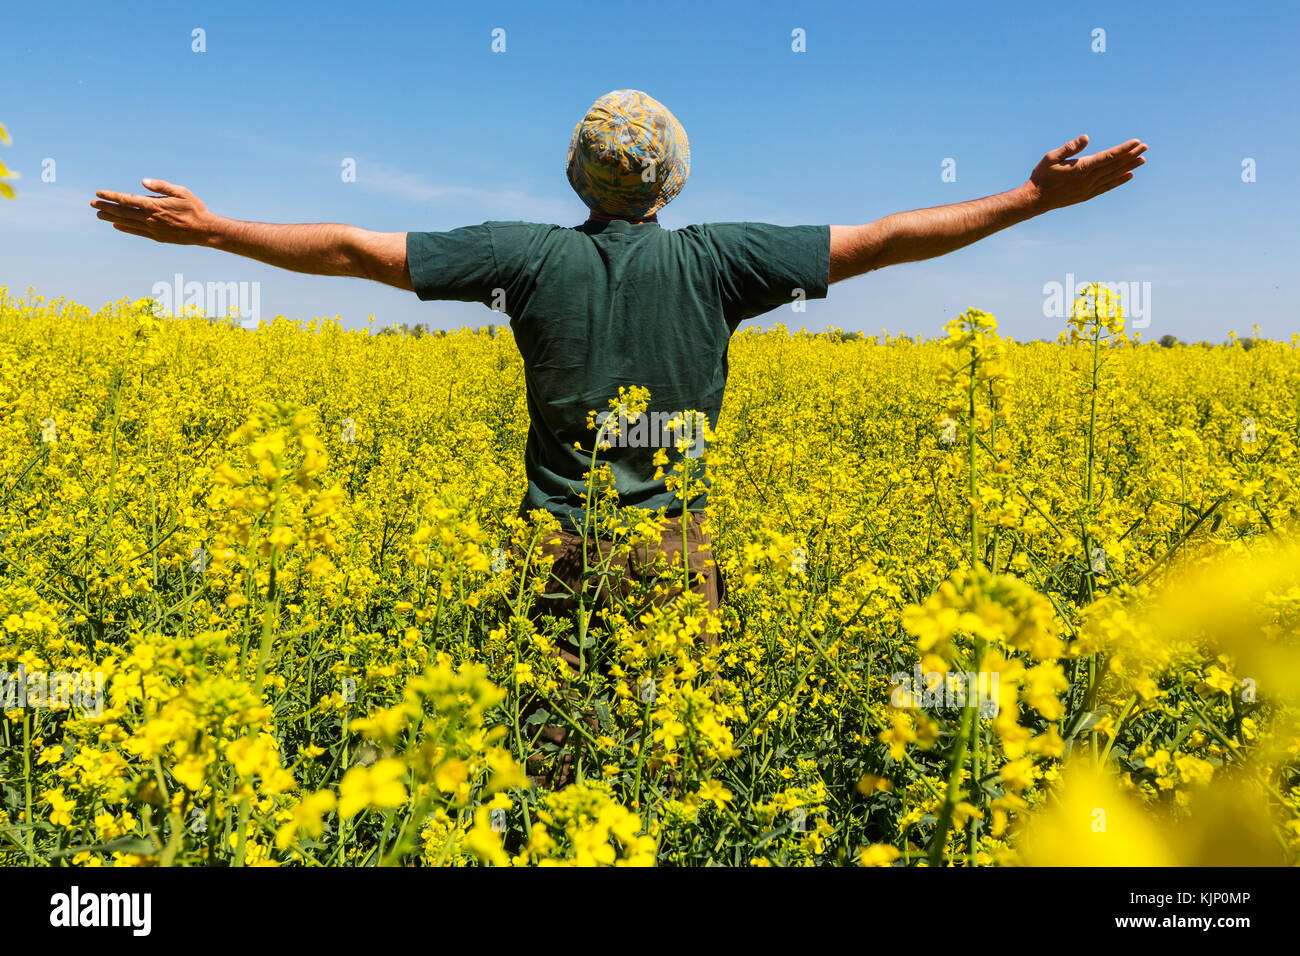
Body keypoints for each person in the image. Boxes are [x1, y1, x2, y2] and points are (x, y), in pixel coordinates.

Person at [90, 87, 1145, 629]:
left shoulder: (526, 257)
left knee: (555, 787)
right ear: (671, 183)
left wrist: (214, 229)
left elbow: (355, 249)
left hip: (552, 552)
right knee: (670, 779)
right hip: (674, 562)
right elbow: (886, 236)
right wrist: (1027, 199)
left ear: (575, 175)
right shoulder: (724, 263)